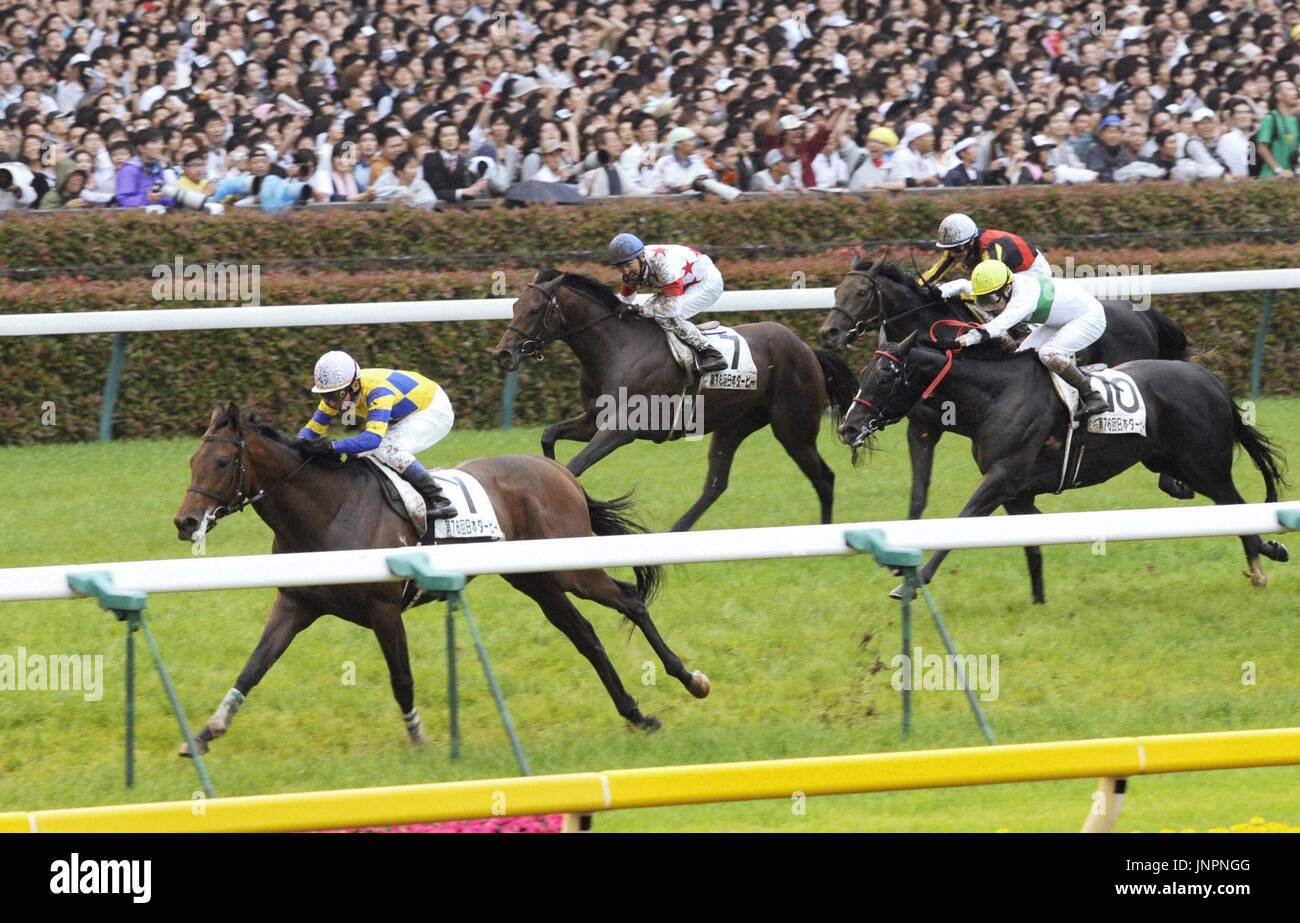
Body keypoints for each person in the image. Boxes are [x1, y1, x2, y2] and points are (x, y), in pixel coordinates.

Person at [294, 350, 458, 525]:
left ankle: (439, 499)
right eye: (325, 396)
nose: (332, 403)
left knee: (386, 448)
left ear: (355, 386)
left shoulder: (379, 391)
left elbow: (373, 439)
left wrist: (331, 446)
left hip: (433, 409)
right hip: (404, 413)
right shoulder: (339, 391)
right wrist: (293, 446)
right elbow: (312, 429)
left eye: (336, 396)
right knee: (360, 455)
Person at [937, 260, 1111, 420]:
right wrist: (935, 292)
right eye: (985, 299)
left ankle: (1093, 397)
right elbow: (961, 284)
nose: (991, 305)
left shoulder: (1023, 298)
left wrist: (960, 341)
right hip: (1060, 320)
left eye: (992, 299)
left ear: (1007, 289)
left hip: (1089, 318)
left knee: (1049, 353)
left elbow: (996, 328)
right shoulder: (1003, 285)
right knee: (1020, 358)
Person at [608, 233, 728, 374]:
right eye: (620, 267)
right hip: (683, 281)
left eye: (628, 265)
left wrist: (637, 309)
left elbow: (672, 310)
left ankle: (711, 353)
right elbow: (624, 300)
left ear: (641, 257)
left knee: (666, 316)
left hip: (706, 282)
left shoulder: (664, 265)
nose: (625, 271)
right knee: (648, 314)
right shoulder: (634, 267)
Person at [921, 212, 1050, 285]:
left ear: (971, 241)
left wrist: (950, 289)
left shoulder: (992, 247)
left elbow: (989, 282)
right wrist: (916, 288)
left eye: (957, 248)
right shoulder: (960, 247)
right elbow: (935, 272)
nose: (953, 254)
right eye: (949, 248)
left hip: (1032, 271)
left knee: (998, 295)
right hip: (1009, 272)